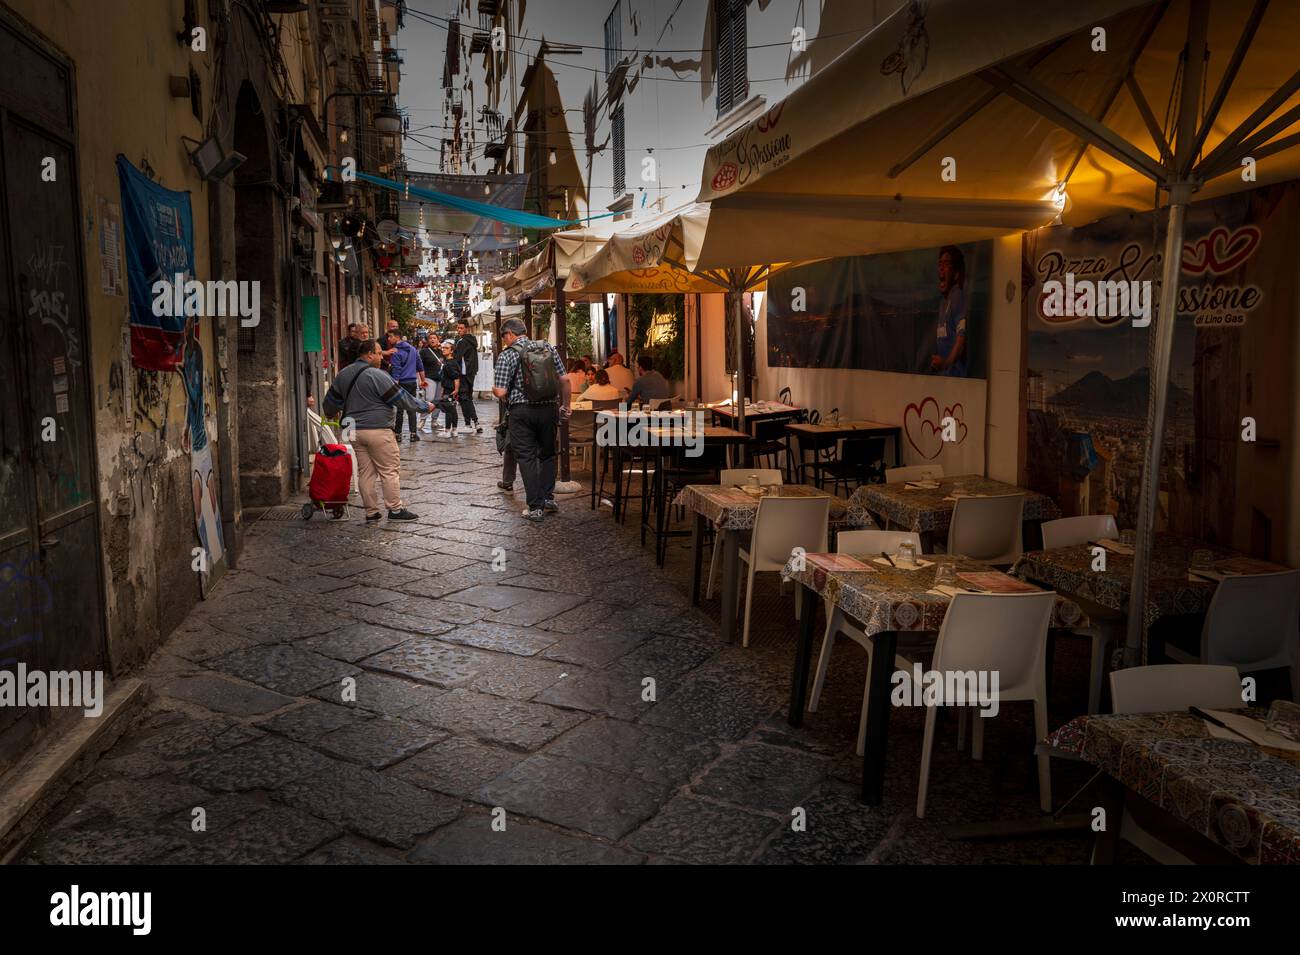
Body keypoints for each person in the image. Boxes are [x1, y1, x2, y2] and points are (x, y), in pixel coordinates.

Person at [322, 339, 432, 522]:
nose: (382, 357)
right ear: (369, 354)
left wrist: (332, 414)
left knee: (366, 472)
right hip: (378, 430)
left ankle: (371, 512)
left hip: (354, 431)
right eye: (379, 353)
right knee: (389, 470)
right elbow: (401, 398)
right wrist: (424, 406)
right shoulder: (377, 375)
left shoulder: (343, 373)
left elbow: (330, 403)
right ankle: (395, 509)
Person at [492, 317, 570, 522]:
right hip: (548, 409)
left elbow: (500, 391)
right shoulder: (548, 349)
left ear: (510, 334)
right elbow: (565, 379)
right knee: (547, 455)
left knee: (526, 457)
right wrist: (566, 406)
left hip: (522, 413)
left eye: (503, 336)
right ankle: (548, 498)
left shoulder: (507, 355)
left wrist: (498, 390)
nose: (504, 340)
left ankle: (535, 507)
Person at [930, 245, 968, 377]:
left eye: (946, 264)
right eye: (940, 264)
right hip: (946, 379)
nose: (941, 268)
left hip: (956, 381)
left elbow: (961, 337)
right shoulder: (943, 302)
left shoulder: (957, 296)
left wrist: (946, 363)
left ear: (956, 274)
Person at [389, 334, 425, 442]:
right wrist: (423, 380)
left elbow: (396, 370)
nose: (389, 339)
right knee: (411, 407)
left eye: (390, 337)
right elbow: (420, 366)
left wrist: (395, 385)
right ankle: (413, 434)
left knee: (400, 409)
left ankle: (398, 434)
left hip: (401, 383)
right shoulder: (413, 350)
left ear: (397, 337)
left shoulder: (396, 352)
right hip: (412, 382)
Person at [453, 319, 482, 434]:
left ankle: (473, 423)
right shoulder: (472, 340)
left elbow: (457, 358)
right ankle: (471, 423)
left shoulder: (462, 342)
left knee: (465, 398)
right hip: (471, 373)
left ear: (467, 328)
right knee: (466, 398)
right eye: (458, 328)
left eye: (461, 328)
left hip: (464, 374)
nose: (459, 330)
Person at [435, 339, 462, 437]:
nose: (443, 349)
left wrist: (456, 390)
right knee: (452, 409)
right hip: (448, 389)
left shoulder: (450, 364)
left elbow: (456, 377)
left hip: (450, 390)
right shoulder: (449, 362)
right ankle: (454, 430)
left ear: (451, 351)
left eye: (446, 348)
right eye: (443, 347)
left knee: (448, 409)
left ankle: (447, 431)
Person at [418, 335, 443, 432]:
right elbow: (419, 366)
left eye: (434, 338)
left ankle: (434, 421)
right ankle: (422, 420)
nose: (432, 340)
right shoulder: (424, 351)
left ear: (438, 340)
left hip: (440, 378)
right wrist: (421, 380)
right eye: (430, 338)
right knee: (429, 398)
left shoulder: (441, 352)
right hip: (429, 377)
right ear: (428, 340)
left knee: (438, 400)